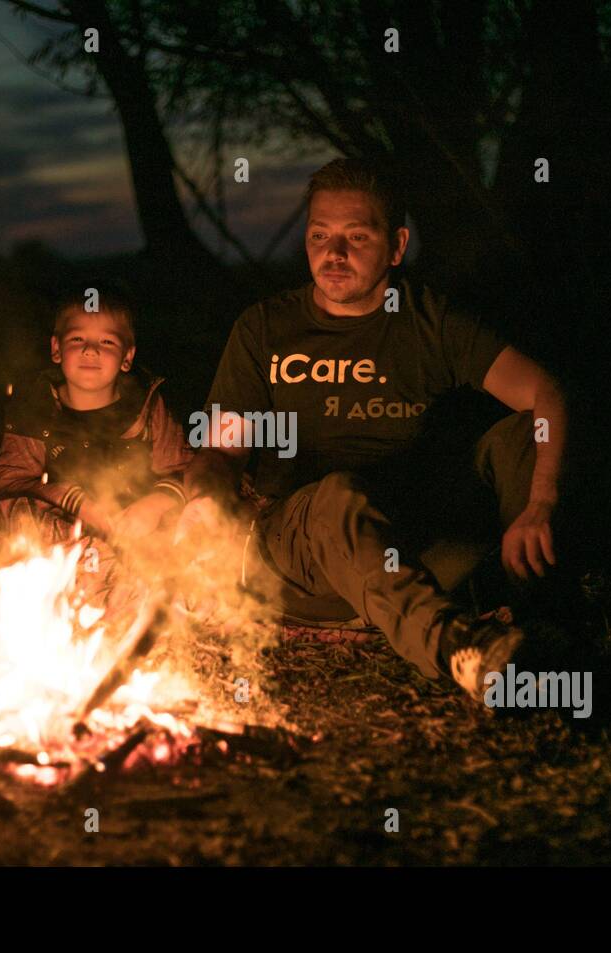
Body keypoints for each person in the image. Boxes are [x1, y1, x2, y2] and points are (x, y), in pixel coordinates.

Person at [186, 158, 571, 702]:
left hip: (408, 536)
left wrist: (540, 506)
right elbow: (221, 452)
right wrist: (201, 500)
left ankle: (541, 615)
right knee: (340, 495)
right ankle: (459, 650)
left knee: (520, 435)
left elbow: (545, 393)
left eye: (356, 237)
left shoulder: (427, 320)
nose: (333, 254)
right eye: (319, 235)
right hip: (302, 548)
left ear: (395, 246)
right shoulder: (266, 327)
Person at [0, 286, 195, 603]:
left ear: (127, 356)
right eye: (77, 340)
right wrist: (76, 502)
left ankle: (138, 596)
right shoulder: (36, 406)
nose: (90, 350)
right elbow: (8, 485)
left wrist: (156, 503)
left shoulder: (147, 405)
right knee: (17, 521)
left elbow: (185, 473)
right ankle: (62, 595)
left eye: (107, 342)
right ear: (56, 349)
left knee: (201, 524)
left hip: (136, 534)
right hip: (59, 539)